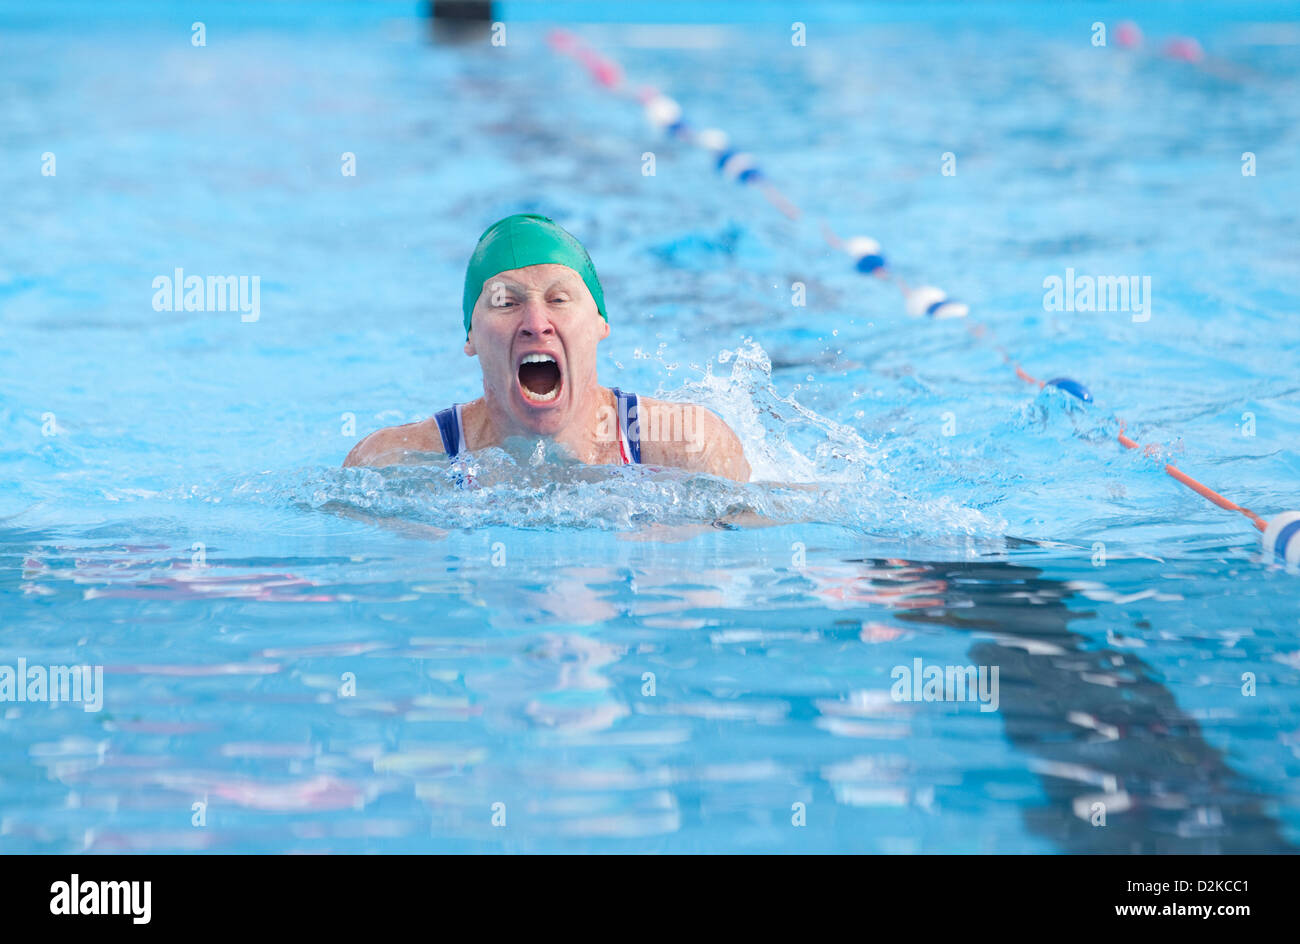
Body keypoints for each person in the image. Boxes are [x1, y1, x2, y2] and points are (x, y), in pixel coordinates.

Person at [344, 213, 751, 482]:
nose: (536, 324)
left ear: (599, 324)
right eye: (506, 302)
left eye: (558, 300)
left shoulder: (688, 448)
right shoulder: (392, 463)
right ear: (470, 336)